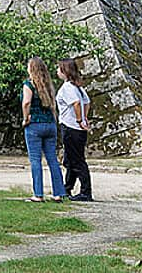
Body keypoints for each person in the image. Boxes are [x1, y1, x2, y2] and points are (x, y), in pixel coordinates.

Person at [20, 57, 66, 203]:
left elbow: (26, 102)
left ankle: (38, 194)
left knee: (35, 160)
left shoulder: (29, 84)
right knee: (52, 159)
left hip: (34, 124)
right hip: (49, 124)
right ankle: (58, 193)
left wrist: (25, 118)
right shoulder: (48, 85)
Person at [56, 57, 93, 201]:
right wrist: (85, 118)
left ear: (65, 71)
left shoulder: (67, 88)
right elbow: (87, 103)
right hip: (78, 128)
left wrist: (79, 119)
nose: (57, 71)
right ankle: (67, 187)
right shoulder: (78, 87)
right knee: (70, 160)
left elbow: (77, 104)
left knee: (77, 161)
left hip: (71, 126)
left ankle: (85, 191)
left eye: (59, 68)